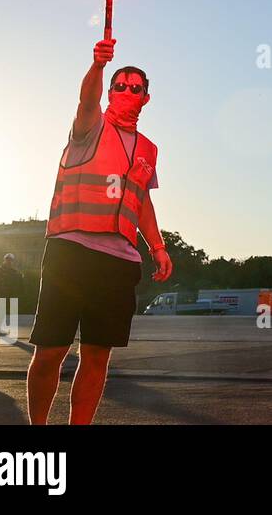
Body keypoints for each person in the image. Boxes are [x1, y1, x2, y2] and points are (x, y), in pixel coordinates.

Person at [28, 39, 173, 425]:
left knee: (96, 356)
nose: (127, 91)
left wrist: (158, 247)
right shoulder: (91, 126)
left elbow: (142, 201)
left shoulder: (148, 148)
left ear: (146, 97)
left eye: (135, 87)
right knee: (51, 351)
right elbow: (86, 102)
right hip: (71, 251)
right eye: (120, 85)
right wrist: (96, 67)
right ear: (110, 91)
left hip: (118, 261)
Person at [0, 253, 24, 335]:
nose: (9, 261)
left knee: (2, 311)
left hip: (7, 294)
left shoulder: (13, 271)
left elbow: (18, 277)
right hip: (0, 293)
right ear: (4, 260)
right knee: (0, 310)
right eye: (7, 259)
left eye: (10, 260)